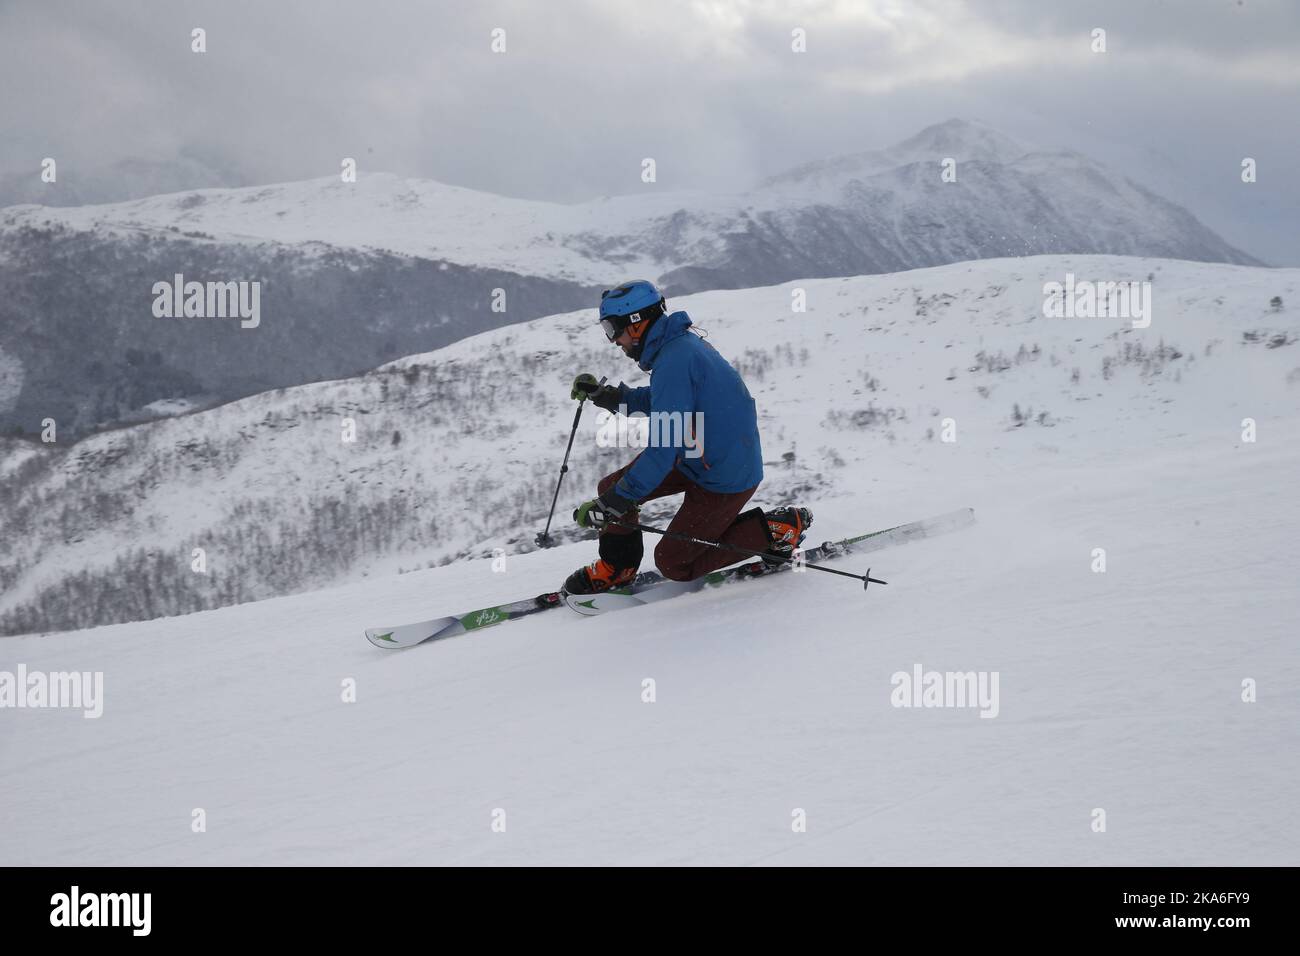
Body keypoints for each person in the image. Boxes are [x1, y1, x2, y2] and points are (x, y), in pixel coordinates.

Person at [564, 279, 811, 595]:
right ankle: (618, 569)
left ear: (637, 324)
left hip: (724, 477)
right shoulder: (676, 349)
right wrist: (608, 396)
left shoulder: (676, 359)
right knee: (613, 490)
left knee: (674, 563)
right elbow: (664, 400)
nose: (613, 340)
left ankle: (778, 528)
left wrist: (613, 503)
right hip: (697, 455)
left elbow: (662, 452)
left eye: (613, 329)